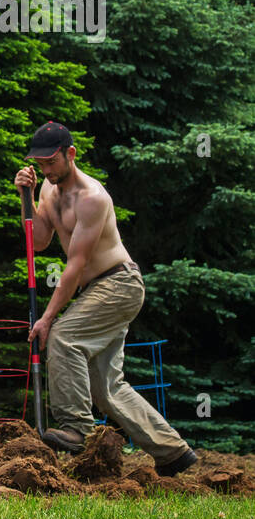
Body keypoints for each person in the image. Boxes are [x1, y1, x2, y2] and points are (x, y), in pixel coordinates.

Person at [13, 122, 196, 475]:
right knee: (107, 387)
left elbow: (75, 266)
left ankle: (76, 427)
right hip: (98, 289)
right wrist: (27, 196)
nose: (47, 170)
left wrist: (48, 318)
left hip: (119, 284)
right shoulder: (49, 193)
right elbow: (37, 242)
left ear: (70, 154)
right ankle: (174, 452)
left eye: (51, 162)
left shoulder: (92, 198)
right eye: (40, 163)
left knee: (64, 337)